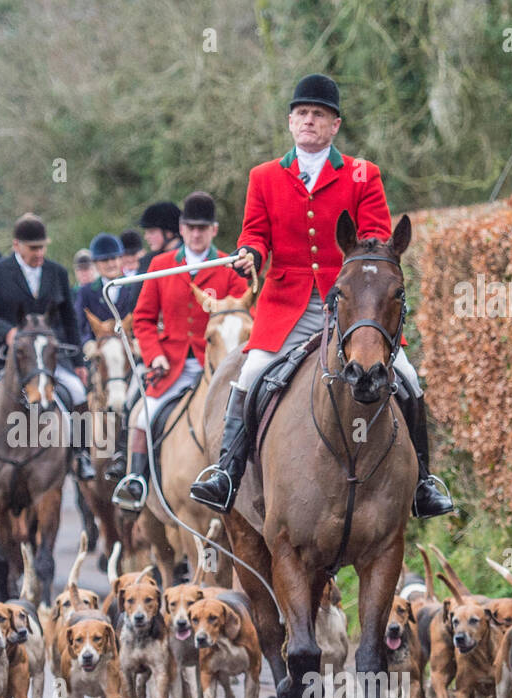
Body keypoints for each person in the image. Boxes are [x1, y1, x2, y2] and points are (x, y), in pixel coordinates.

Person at [189, 74, 453, 518]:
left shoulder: (362, 174)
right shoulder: (264, 176)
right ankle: (227, 473)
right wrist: (251, 253)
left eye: (319, 115)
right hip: (286, 306)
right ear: (291, 123)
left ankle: (423, 483)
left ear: (335, 125)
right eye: (302, 114)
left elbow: (374, 236)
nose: (309, 121)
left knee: (408, 379)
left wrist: (362, 274)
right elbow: (255, 233)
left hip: (353, 304)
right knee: (250, 374)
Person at [111, 192, 246, 512]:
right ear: (181, 229)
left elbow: (243, 315)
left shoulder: (228, 267)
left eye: (203, 228)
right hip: (168, 365)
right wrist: (153, 353)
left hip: (215, 367)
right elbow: (142, 318)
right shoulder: (160, 266)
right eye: (190, 227)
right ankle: (135, 481)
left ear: (213, 230)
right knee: (140, 415)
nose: (196, 234)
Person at [0, 214, 95, 483]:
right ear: (17, 245)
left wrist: (79, 362)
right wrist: (8, 331)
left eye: (42, 247)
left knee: (76, 391)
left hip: (47, 356)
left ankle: (82, 455)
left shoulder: (57, 272)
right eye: (33, 248)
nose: (40, 253)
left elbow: (70, 319)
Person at [75, 232, 138, 341]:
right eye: (104, 260)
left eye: (113, 259)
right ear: (95, 263)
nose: (110, 264)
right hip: (100, 350)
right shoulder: (86, 292)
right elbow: (79, 326)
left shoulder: (136, 286)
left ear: (120, 259)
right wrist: (88, 343)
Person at [136, 201, 182, 273]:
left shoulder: (190, 256)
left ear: (168, 232)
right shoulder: (147, 262)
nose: (146, 237)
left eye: (151, 232)